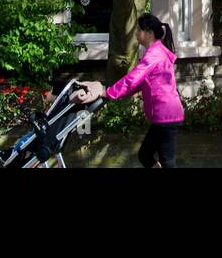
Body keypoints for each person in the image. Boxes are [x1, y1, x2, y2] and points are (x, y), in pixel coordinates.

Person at [73, 14, 184, 167]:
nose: (136, 33)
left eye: (139, 30)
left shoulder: (154, 54)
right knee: (145, 155)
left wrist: (108, 92)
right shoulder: (158, 52)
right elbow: (139, 84)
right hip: (166, 114)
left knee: (167, 161)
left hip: (165, 115)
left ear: (149, 33)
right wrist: (111, 93)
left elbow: (132, 79)